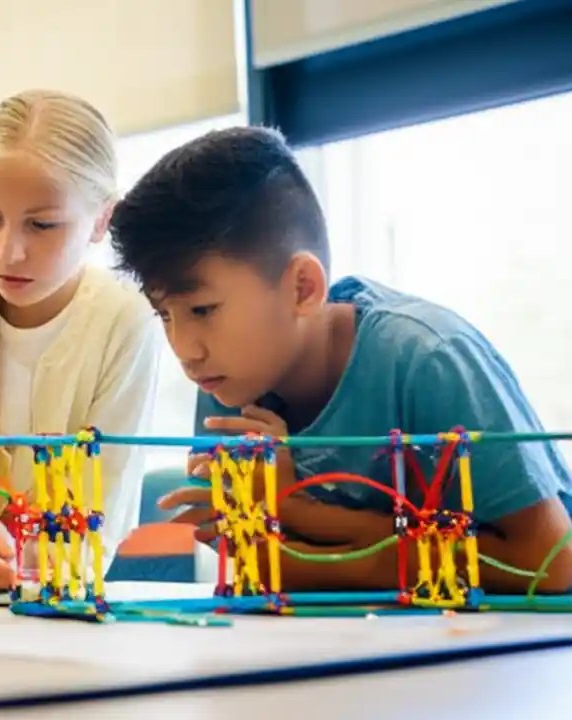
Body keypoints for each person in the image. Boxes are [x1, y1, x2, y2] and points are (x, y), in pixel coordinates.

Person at [109, 125, 572, 593]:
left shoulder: (429, 358)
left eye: (202, 310)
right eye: (164, 314)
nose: (185, 349)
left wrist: (301, 513)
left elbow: (551, 564)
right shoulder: (229, 381)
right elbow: (253, 564)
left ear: (302, 287)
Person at [0, 89, 164, 590]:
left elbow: (100, 514)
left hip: (59, 604)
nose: (8, 251)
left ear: (102, 219)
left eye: (42, 224)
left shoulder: (127, 322)